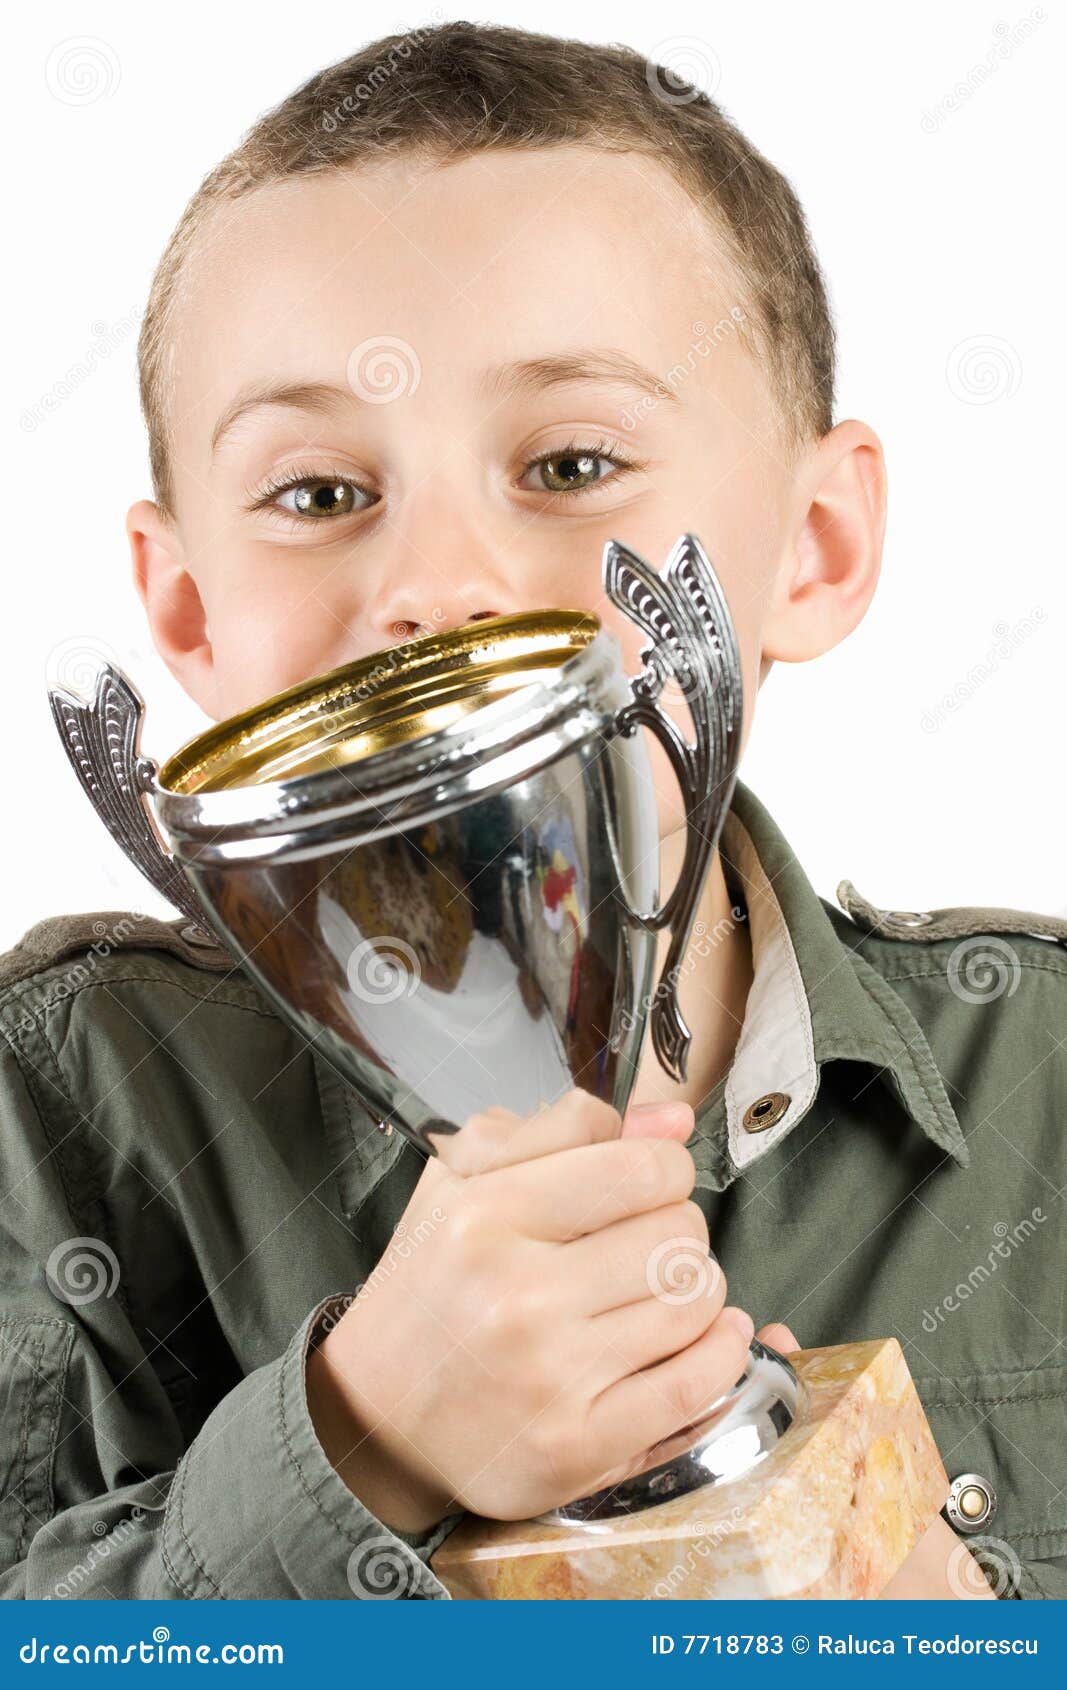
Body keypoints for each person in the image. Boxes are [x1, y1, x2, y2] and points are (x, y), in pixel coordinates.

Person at [2, 22, 1061, 1600]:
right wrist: (358, 1443)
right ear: (190, 614)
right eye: (317, 493)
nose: (441, 587)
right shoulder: (55, 1112)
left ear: (818, 545)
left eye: (570, 462)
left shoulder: (1045, 1079)